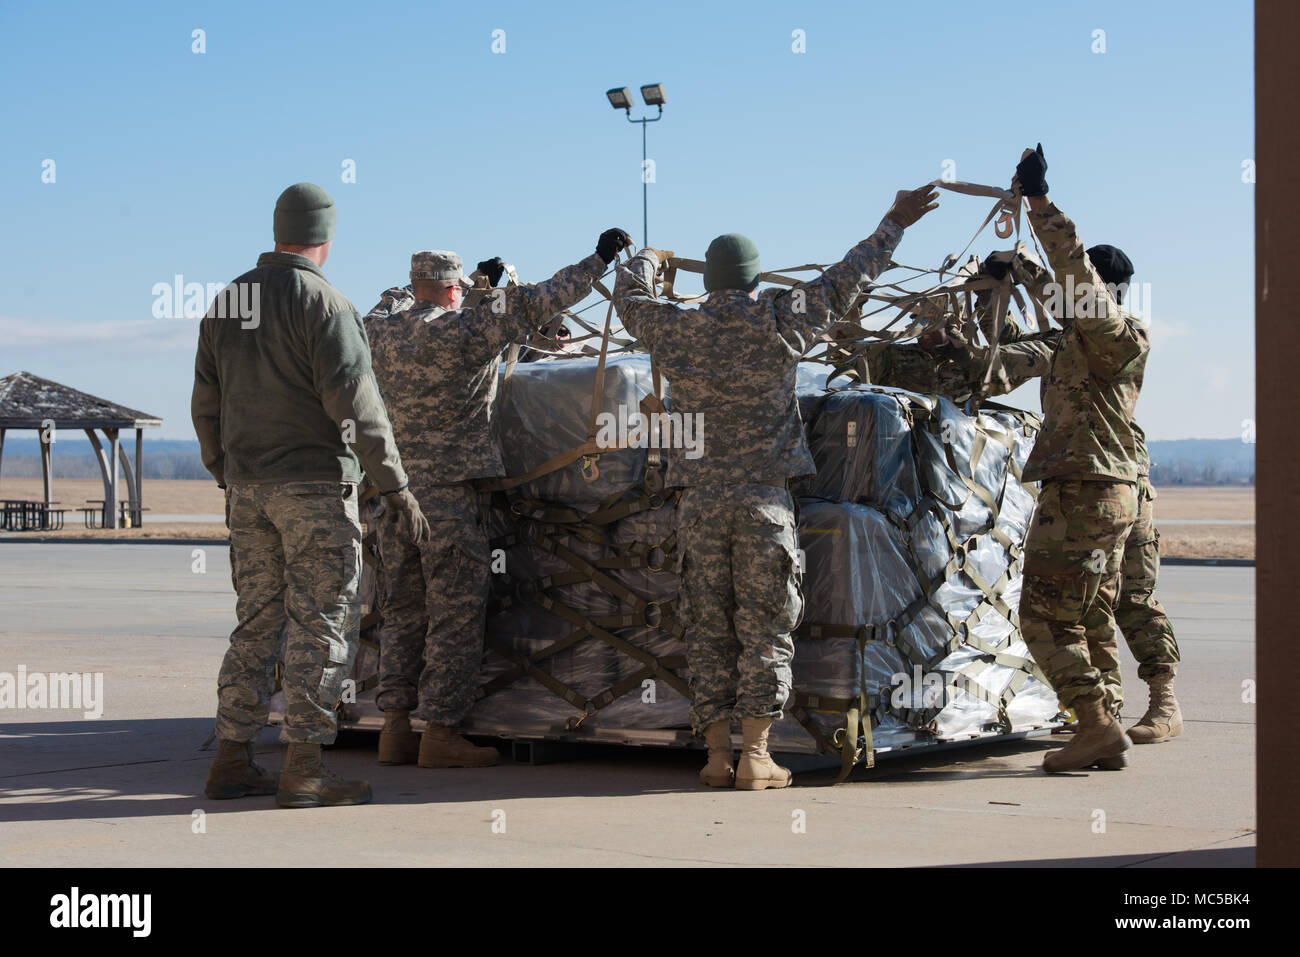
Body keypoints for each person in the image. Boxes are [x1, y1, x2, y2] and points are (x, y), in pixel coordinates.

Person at [613, 186, 939, 790]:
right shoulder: (781, 319)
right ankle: (758, 757)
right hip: (763, 503)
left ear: (707, 278)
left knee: (708, 628)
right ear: (756, 277)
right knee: (765, 628)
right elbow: (850, 276)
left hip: (700, 506)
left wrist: (647, 260)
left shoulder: (676, 329)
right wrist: (895, 220)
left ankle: (714, 757)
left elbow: (627, 297)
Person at [193, 182, 429, 808]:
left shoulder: (227, 301)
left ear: (278, 230)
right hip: (316, 488)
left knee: (256, 622)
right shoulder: (325, 303)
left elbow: (206, 405)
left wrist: (226, 470)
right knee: (321, 624)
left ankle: (232, 759)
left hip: (248, 490)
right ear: (327, 237)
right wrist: (395, 484)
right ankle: (303, 768)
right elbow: (356, 404)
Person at [366, 231, 630, 769]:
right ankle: (440, 732)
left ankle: (394, 728)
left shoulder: (379, 332)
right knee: (454, 616)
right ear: (451, 291)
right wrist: (599, 258)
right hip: (450, 500)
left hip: (394, 498)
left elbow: (385, 303)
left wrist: (441, 291)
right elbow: (547, 298)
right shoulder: (469, 328)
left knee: (401, 612)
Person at [1012, 145, 1150, 773]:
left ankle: (1095, 725)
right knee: (1087, 612)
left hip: (1084, 492)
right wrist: (1016, 267)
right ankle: (1106, 727)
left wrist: (1041, 205)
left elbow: (1075, 284)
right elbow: (1064, 294)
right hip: (1101, 492)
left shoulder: (1116, 335)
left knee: (1042, 616)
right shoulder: (1083, 336)